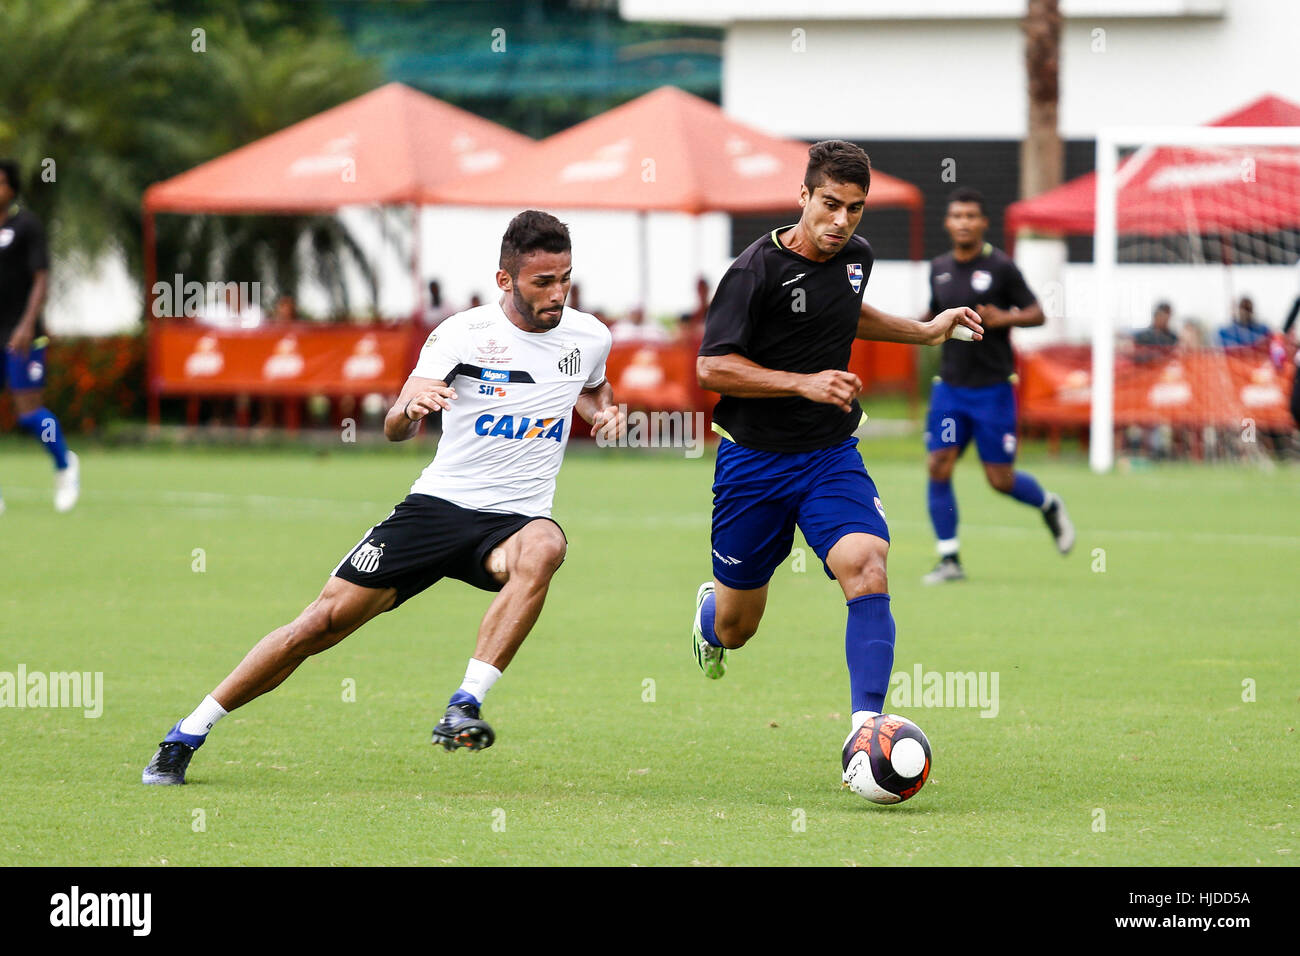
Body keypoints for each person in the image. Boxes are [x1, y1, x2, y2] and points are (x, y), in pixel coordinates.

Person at [142, 210, 624, 785]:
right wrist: (408, 411)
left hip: (513, 522)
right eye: (543, 282)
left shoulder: (590, 335)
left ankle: (464, 703)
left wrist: (605, 413)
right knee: (317, 626)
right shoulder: (461, 335)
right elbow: (396, 424)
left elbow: (591, 389)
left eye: (565, 278)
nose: (557, 294)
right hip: (437, 510)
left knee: (546, 546)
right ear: (506, 280)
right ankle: (187, 733)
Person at [690, 140, 982, 780]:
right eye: (829, 204)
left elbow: (847, 312)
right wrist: (802, 382)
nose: (841, 221)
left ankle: (865, 731)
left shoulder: (856, 258)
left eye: (854, 208)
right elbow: (712, 365)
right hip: (753, 465)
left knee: (867, 563)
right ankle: (710, 617)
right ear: (803, 197)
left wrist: (925, 329)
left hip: (828, 455)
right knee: (740, 627)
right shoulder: (753, 271)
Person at [910, 187, 1073, 584]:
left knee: (999, 479)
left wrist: (1003, 318)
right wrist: (915, 325)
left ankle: (1049, 505)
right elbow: (935, 312)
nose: (964, 222)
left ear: (983, 222)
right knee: (938, 464)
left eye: (971, 216)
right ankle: (949, 559)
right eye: (957, 216)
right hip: (949, 388)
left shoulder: (1001, 267)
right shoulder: (939, 268)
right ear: (947, 223)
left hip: (993, 390)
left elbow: (1037, 314)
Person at [0, 159, 78, 515]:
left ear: (12, 188)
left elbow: (41, 277)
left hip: (22, 335)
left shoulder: (27, 225)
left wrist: (26, 324)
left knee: (29, 415)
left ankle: (64, 465)